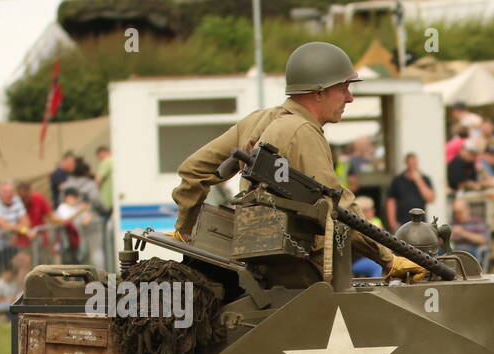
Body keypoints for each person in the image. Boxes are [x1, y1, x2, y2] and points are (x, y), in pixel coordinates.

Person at [171, 41, 393, 274]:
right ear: (319, 92)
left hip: (258, 269)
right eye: (343, 89)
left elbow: (193, 170)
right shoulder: (302, 131)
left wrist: (185, 231)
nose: (349, 98)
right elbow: (338, 207)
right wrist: (388, 257)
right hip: (296, 277)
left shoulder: (258, 120)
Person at [385, 152, 436, 230]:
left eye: (414, 163)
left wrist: (418, 180)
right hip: (402, 223)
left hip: (421, 223)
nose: (412, 165)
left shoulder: (425, 179)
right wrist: (392, 223)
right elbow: (391, 201)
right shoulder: (398, 180)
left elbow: (431, 199)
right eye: (410, 163)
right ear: (406, 163)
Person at [449, 197, 490, 267]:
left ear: (467, 210)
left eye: (459, 212)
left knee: (463, 255)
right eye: (455, 213)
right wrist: (450, 236)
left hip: (470, 252)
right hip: (453, 252)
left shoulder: (477, 223)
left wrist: (463, 233)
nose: (457, 215)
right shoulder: (453, 224)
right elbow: (441, 243)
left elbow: (483, 240)